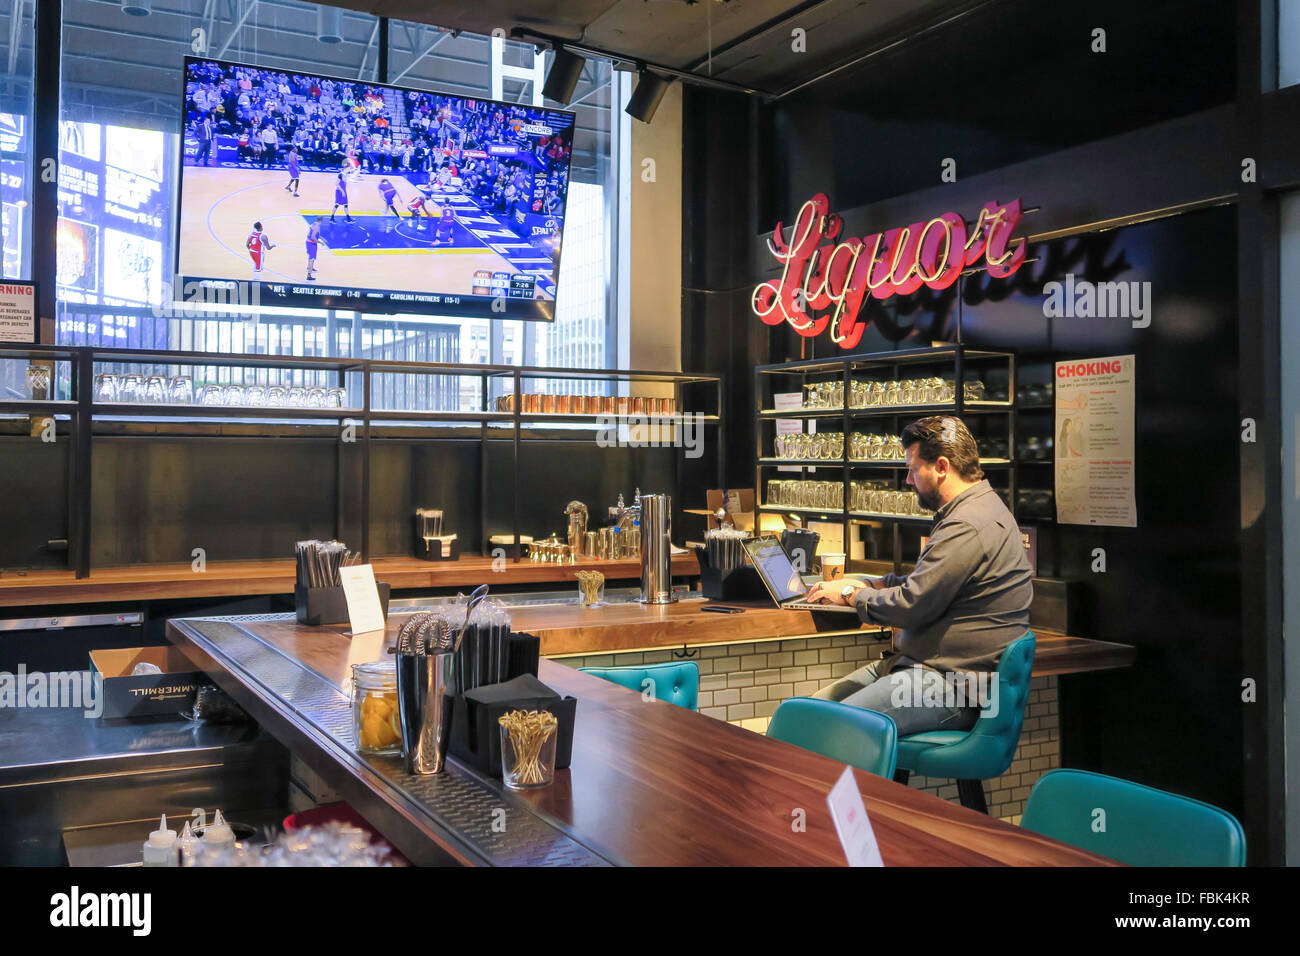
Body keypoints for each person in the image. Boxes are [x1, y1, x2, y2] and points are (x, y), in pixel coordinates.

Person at [804, 416, 1033, 735]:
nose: (909, 481)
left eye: (913, 469)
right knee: (807, 712)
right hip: (927, 670)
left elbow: (912, 606)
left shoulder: (965, 525)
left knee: (826, 728)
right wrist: (872, 584)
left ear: (941, 467)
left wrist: (851, 596)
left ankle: (860, 787)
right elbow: (926, 586)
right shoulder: (980, 509)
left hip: (953, 685)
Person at [305, 216, 322, 281]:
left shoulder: (313, 224)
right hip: (312, 244)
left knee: (310, 257)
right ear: (321, 221)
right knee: (312, 259)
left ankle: (309, 267)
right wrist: (320, 242)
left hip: (308, 242)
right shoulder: (317, 227)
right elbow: (313, 237)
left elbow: (312, 233)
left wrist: (319, 237)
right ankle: (309, 275)